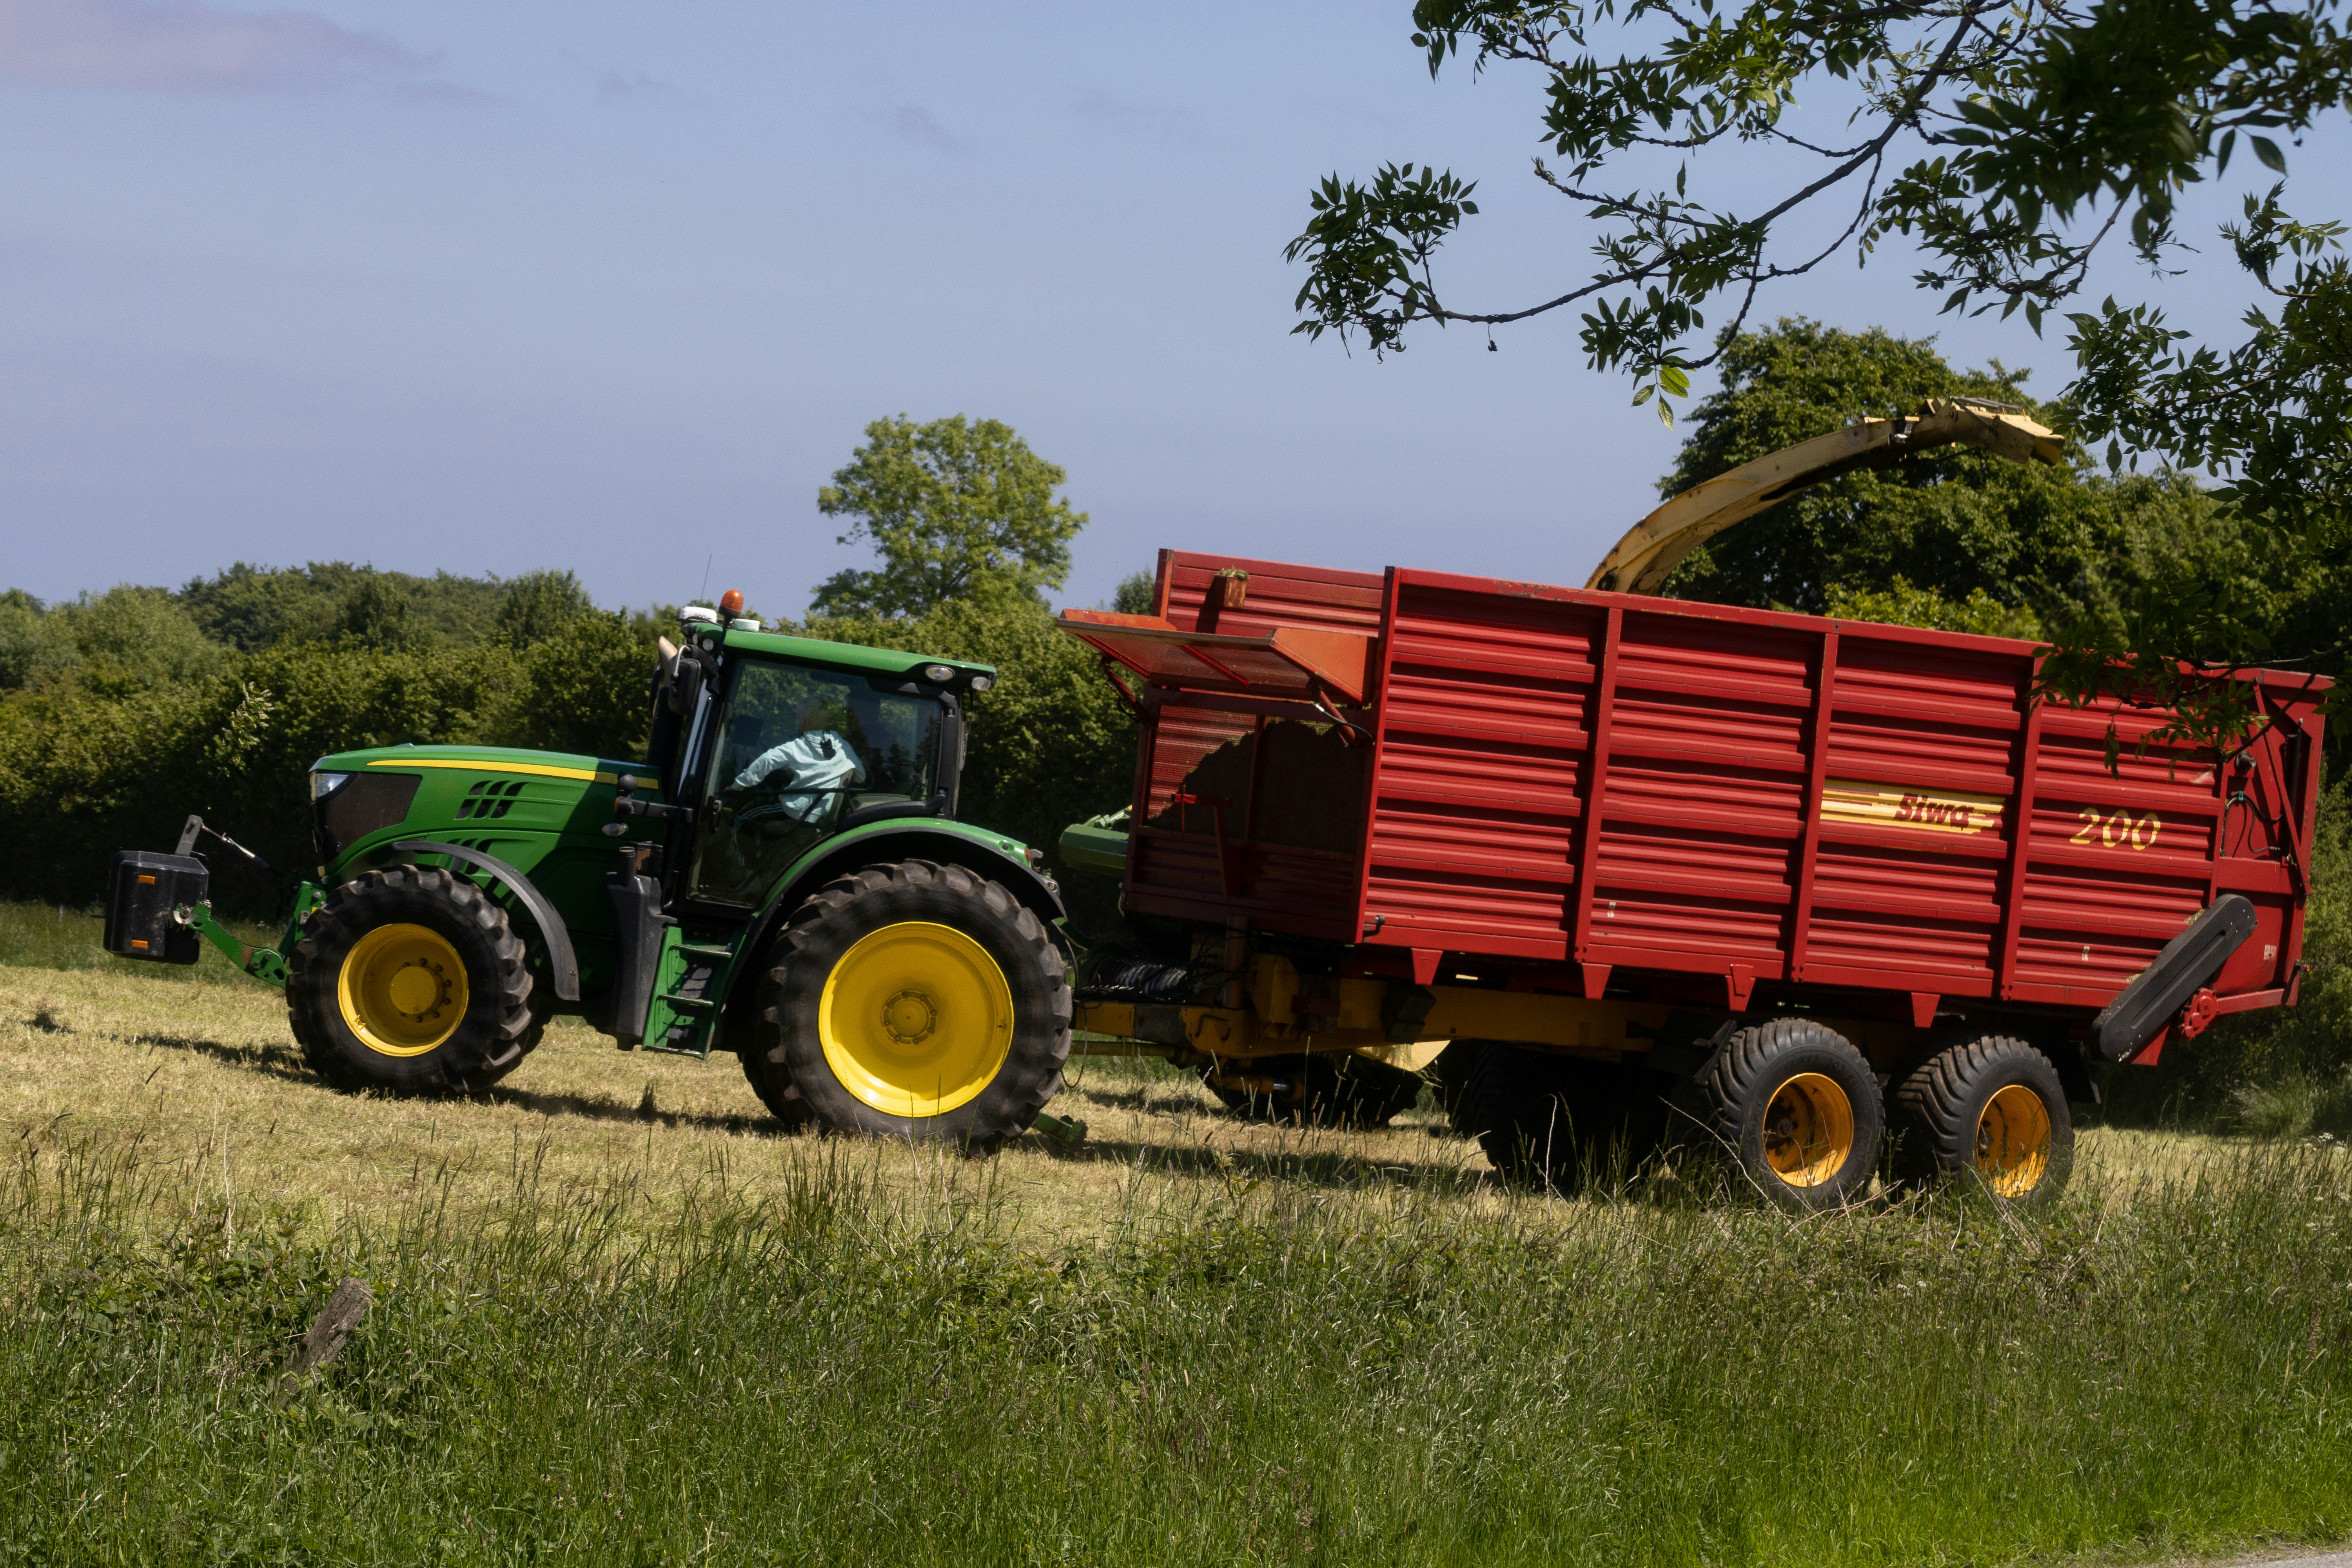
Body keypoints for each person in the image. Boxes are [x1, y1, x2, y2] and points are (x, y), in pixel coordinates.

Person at [730, 699, 867, 827]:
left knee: (739, 819)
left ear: (806, 721)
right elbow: (861, 778)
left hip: (793, 812)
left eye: (798, 717)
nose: (797, 721)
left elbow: (766, 761)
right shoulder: (843, 745)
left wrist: (737, 787)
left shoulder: (796, 747)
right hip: (820, 816)